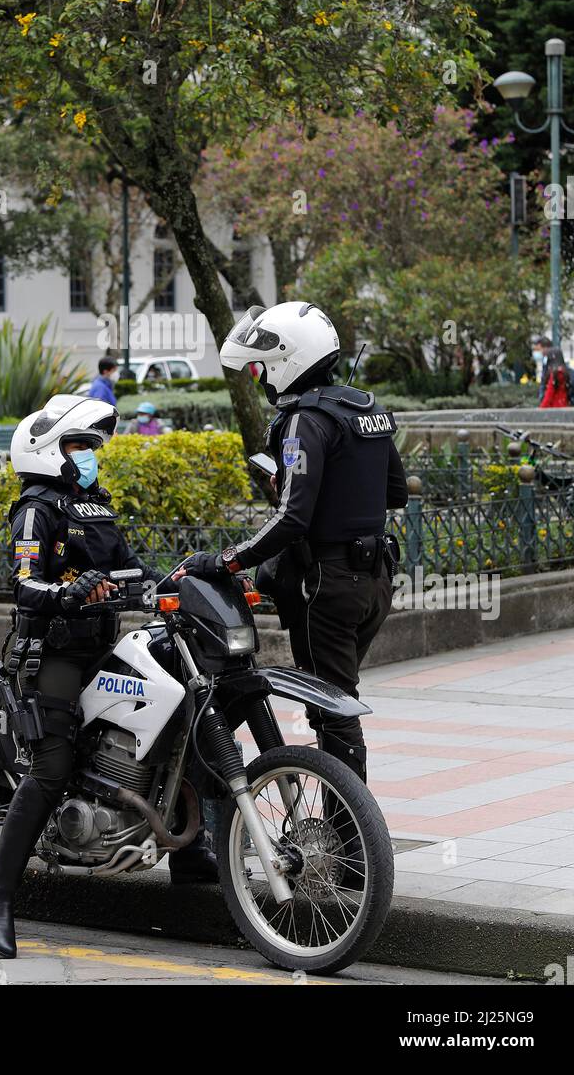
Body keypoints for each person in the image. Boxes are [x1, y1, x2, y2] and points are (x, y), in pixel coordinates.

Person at [0, 393, 216, 960]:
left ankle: (191, 850)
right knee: (52, 768)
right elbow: (24, 584)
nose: (88, 457)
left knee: (185, 716)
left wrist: (186, 573)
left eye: (91, 448)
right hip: (52, 655)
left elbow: (132, 571)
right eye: (79, 446)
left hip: (101, 647)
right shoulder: (37, 509)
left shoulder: (95, 508)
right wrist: (68, 591)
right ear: (48, 451)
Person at [174, 302, 408, 788]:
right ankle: (353, 834)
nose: (260, 377)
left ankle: (348, 849)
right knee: (337, 697)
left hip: (326, 585)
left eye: (262, 366)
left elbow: (292, 518)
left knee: (332, 711)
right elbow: (396, 493)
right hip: (374, 581)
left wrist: (227, 559)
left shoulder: (305, 420)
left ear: (289, 360)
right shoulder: (367, 409)